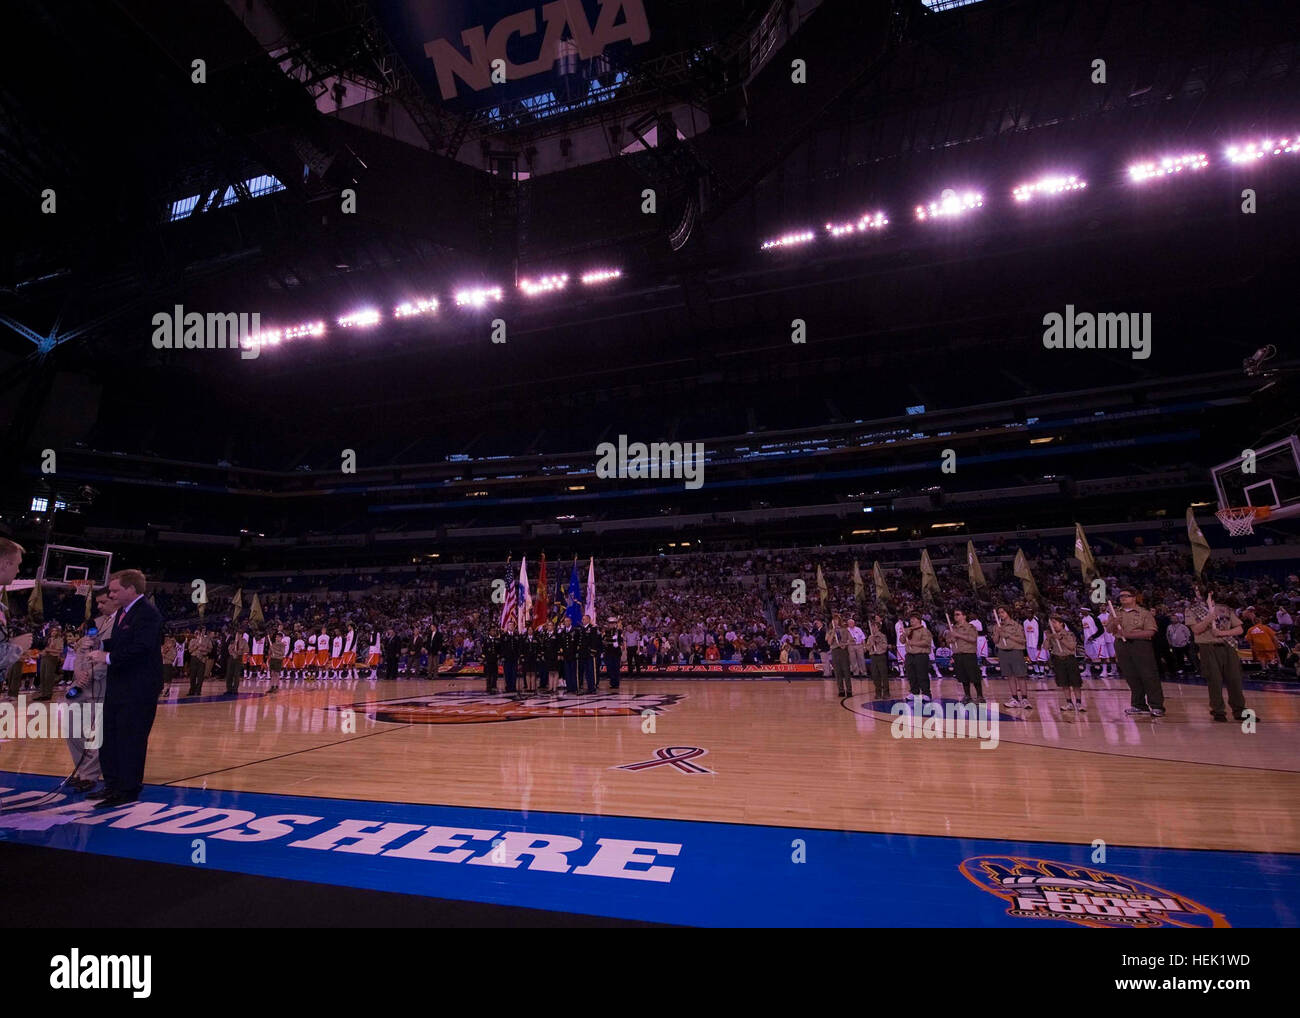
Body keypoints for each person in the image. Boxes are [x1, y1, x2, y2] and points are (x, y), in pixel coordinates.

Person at [86, 569, 164, 807]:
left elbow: (141, 648)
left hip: (138, 687)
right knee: (110, 736)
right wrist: (101, 643)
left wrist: (106, 656)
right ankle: (112, 785)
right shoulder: (122, 612)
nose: (111, 594)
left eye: (115, 590)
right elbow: (123, 642)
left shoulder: (148, 614)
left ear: (132, 589)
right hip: (119, 685)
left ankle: (128, 789)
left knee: (130, 738)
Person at [67, 590, 116, 792]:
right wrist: (78, 672)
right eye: (98, 602)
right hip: (80, 684)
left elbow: (115, 655)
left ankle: (89, 775)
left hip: (101, 683)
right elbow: (81, 650)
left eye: (103, 602)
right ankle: (81, 768)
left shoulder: (121, 625)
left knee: (95, 733)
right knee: (71, 729)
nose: (99, 606)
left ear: (115, 601)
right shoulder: (95, 623)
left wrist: (92, 674)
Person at [1105, 589, 1164, 717]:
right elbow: (1109, 630)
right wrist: (1114, 624)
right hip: (1121, 645)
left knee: (1148, 675)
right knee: (1131, 675)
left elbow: (1150, 632)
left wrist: (1129, 635)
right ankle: (1138, 704)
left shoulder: (1144, 613)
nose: (1123, 598)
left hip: (1140, 645)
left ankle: (1157, 705)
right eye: (1121, 596)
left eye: (1127, 596)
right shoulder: (1115, 613)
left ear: (1134, 598)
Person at [1188, 593, 1247, 722]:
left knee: (1235, 679)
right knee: (1214, 680)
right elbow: (1196, 630)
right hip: (1208, 648)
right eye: (1197, 591)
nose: (1198, 593)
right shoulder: (1192, 610)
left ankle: (1240, 710)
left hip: (1227, 646)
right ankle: (1218, 711)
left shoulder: (1225, 609)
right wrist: (1208, 620)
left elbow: (1239, 629)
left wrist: (1222, 633)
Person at [992, 606, 1030, 709]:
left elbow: (1022, 640)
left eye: (1002, 612)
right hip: (1003, 652)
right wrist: (998, 633)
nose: (1001, 614)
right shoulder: (997, 626)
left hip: (1015, 651)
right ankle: (1014, 698)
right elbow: (995, 641)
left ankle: (1025, 699)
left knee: (1020, 675)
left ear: (1008, 612)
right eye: (999, 613)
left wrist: (1007, 635)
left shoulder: (1016, 625)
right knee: (1010, 676)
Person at [1046, 615, 1084, 712]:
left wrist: (1060, 639)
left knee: (1075, 683)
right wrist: (1048, 638)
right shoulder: (1052, 635)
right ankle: (1069, 703)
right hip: (1058, 660)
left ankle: (1079, 703)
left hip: (1069, 659)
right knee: (1064, 683)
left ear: (1061, 623)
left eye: (1055, 622)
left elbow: (1072, 647)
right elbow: (1045, 647)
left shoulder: (1069, 634)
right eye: (1052, 623)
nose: (1053, 625)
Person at [946, 609, 983, 704]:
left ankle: (980, 696)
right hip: (957, 654)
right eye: (955, 615)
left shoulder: (970, 627)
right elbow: (948, 640)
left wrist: (958, 635)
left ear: (964, 616)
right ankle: (967, 695)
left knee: (974, 675)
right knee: (963, 676)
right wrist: (951, 638)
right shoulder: (953, 628)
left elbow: (973, 639)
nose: (956, 616)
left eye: (958, 614)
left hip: (968, 653)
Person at [903, 612, 932, 701]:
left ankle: (926, 693)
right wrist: (904, 635)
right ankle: (914, 692)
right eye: (911, 619)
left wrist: (913, 643)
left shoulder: (924, 631)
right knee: (911, 675)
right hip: (910, 655)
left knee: (922, 674)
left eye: (914, 619)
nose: (911, 621)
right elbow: (902, 640)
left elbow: (926, 643)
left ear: (919, 620)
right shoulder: (908, 630)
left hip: (921, 655)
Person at [829, 614, 853, 698]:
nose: (835, 621)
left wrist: (845, 644)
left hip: (843, 651)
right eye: (834, 620)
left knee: (846, 671)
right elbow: (829, 642)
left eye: (836, 619)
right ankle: (841, 690)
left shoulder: (845, 630)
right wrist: (833, 632)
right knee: (837, 672)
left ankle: (849, 690)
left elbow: (851, 640)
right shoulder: (831, 630)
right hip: (835, 651)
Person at [867, 616, 891, 698]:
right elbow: (867, 648)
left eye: (874, 627)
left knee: (883, 675)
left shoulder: (882, 636)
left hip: (881, 656)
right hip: (873, 657)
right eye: (872, 627)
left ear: (878, 627)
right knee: (875, 675)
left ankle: (886, 692)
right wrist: (870, 644)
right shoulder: (870, 637)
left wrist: (877, 641)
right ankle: (878, 692)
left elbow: (885, 647)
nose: (873, 628)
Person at [226, 629, 249, 694]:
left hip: (239, 658)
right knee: (229, 674)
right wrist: (233, 654)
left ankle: (235, 689)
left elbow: (246, 650)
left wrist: (239, 653)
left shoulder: (244, 642)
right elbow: (229, 649)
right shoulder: (233, 641)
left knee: (236, 674)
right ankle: (229, 689)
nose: (237, 636)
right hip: (231, 658)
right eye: (236, 634)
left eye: (238, 634)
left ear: (241, 635)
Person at [603, 618, 624, 690]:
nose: (611, 624)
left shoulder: (619, 631)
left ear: (615, 624)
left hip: (616, 652)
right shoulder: (606, 631)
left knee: (616, 668)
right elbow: (604, 640)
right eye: (610, 623)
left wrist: (617, 642)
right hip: (608, 652)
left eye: (613, 623)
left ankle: (616, 683)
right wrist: (611, 641)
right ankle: (612, 682)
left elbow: (621, 641)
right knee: (609, 668)